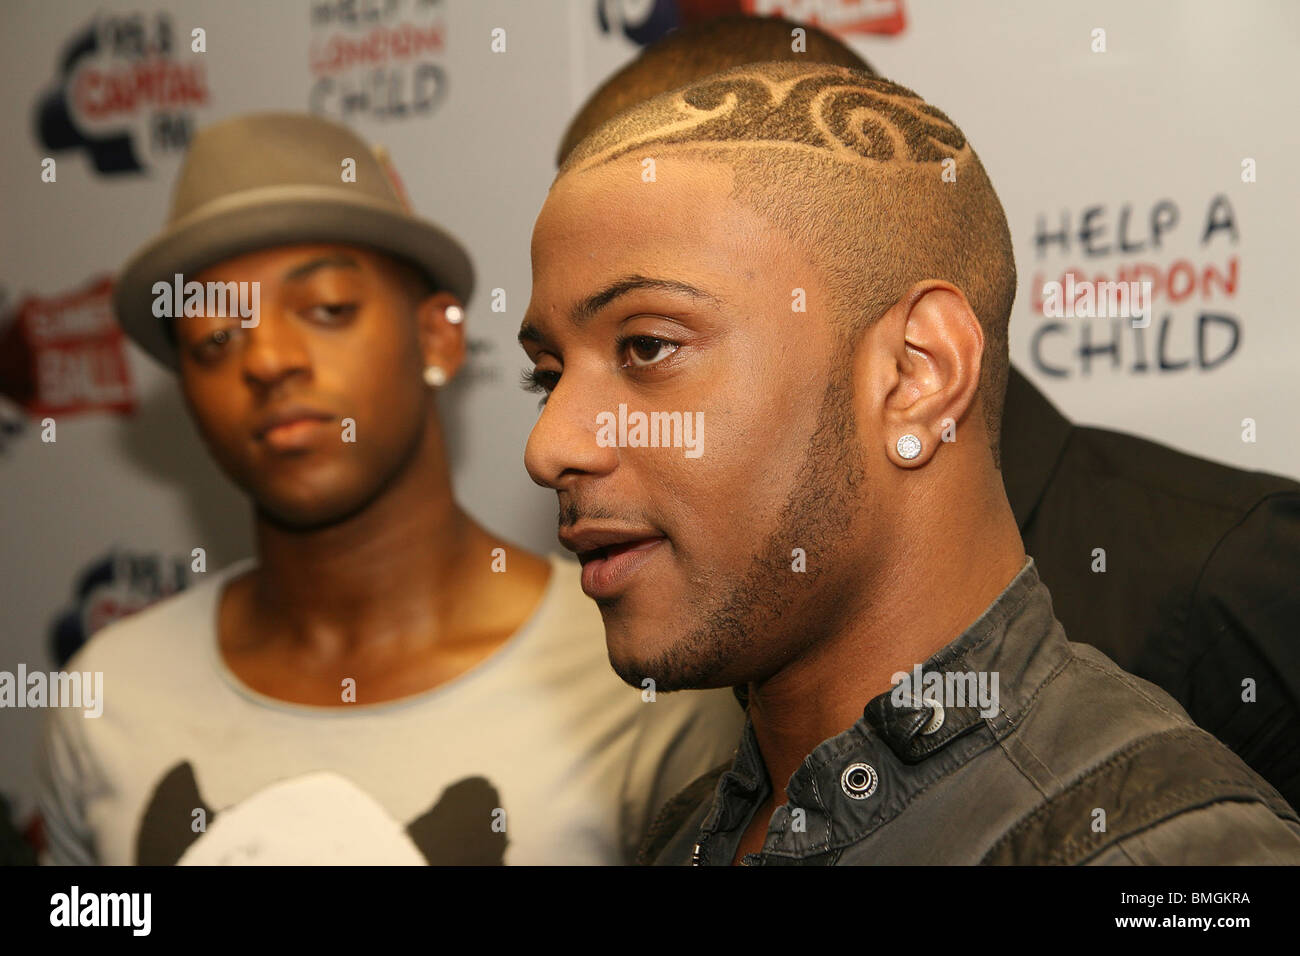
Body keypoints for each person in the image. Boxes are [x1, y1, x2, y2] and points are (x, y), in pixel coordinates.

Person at [521, 60, 1300, 864]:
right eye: (547, 377)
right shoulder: (689, 833)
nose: (549, 446)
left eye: (648, 346)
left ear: (916, 375)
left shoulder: (1161, 857)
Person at [35, 111, 742, 865]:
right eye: (215, 338)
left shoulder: (640, 672)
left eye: (328, 308)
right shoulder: (111, 694)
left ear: (438, 334)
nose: (268, 359)